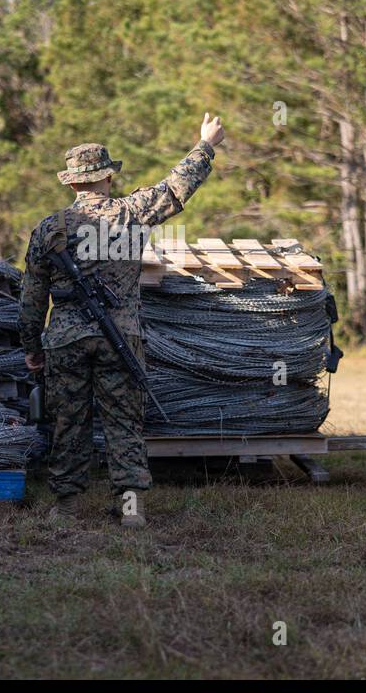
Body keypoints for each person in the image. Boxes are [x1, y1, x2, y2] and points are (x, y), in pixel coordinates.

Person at [19, 114, 226, 526]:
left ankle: (66, 507)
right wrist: (206, 144)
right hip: (121, 338)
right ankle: (131, 508)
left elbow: (31, 296)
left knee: (68, 422)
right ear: (107, 178)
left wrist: (31, 348)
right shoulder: (131, 212)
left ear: (73, 183)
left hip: (65, 341)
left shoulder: (49, 229)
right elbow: (177, 187)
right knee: (124, 421)